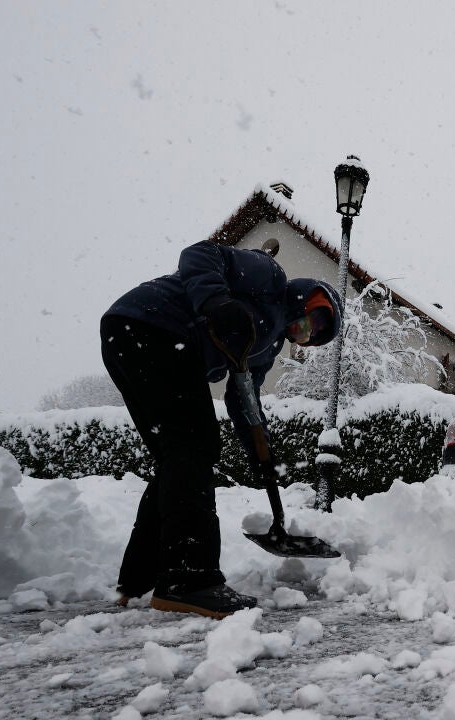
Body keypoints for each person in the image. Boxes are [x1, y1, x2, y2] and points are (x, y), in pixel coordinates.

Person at [101, 239, 342, 619]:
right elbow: (199, 254)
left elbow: (244, 401)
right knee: (194, 449)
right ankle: (189, 580)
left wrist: (261, 457)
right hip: (155, 325)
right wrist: (215, 300)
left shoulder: (264, 348)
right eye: (312, 320)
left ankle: (137, 581)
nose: (304, 333)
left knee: (177, 457)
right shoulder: (270, 275)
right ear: (306, 297)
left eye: (311, 336)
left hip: (132, 335)